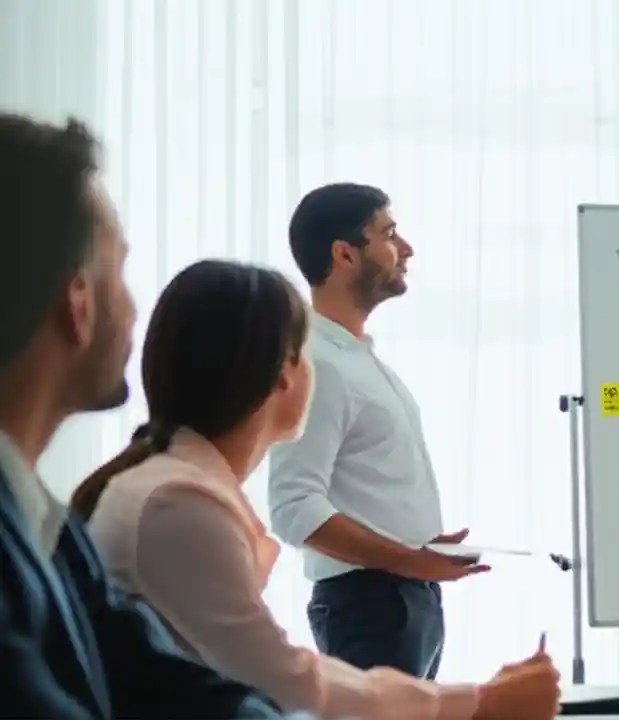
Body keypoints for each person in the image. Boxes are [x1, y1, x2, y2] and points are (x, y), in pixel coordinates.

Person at [71, 259, 561, 720]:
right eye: (307, 354)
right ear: (284, 372)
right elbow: (290, 684)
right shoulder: (178, 503)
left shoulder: (171, 488)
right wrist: (476, 703)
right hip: (371, 603)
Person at [0, 112, 285, 718]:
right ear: (78, 304)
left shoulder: (49, 527)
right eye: (122, 271)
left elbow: (160, 679)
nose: (135, 308)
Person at [268, 183, 483, 679]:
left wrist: (420, 554)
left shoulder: (356, 359)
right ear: (344, 254)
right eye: (389, 234)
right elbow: (294, 507)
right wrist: (409, 560)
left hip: (401, 602)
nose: (405, 249)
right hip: (370, 606)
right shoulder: (317, 364)